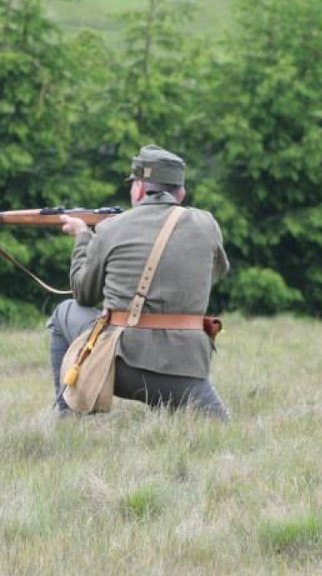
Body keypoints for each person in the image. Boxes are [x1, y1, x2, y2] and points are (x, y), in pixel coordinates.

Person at [48, 145, 230, 419]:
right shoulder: (207, 224)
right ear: (180, 193)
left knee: (64, 311)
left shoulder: (111, 228)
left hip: (124, 368)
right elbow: (215, 273)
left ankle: (66, 414)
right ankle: (167, 407)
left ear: (139, 189)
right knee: (221, 430)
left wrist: (83, 238)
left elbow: (84, 293)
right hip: (187, 369)